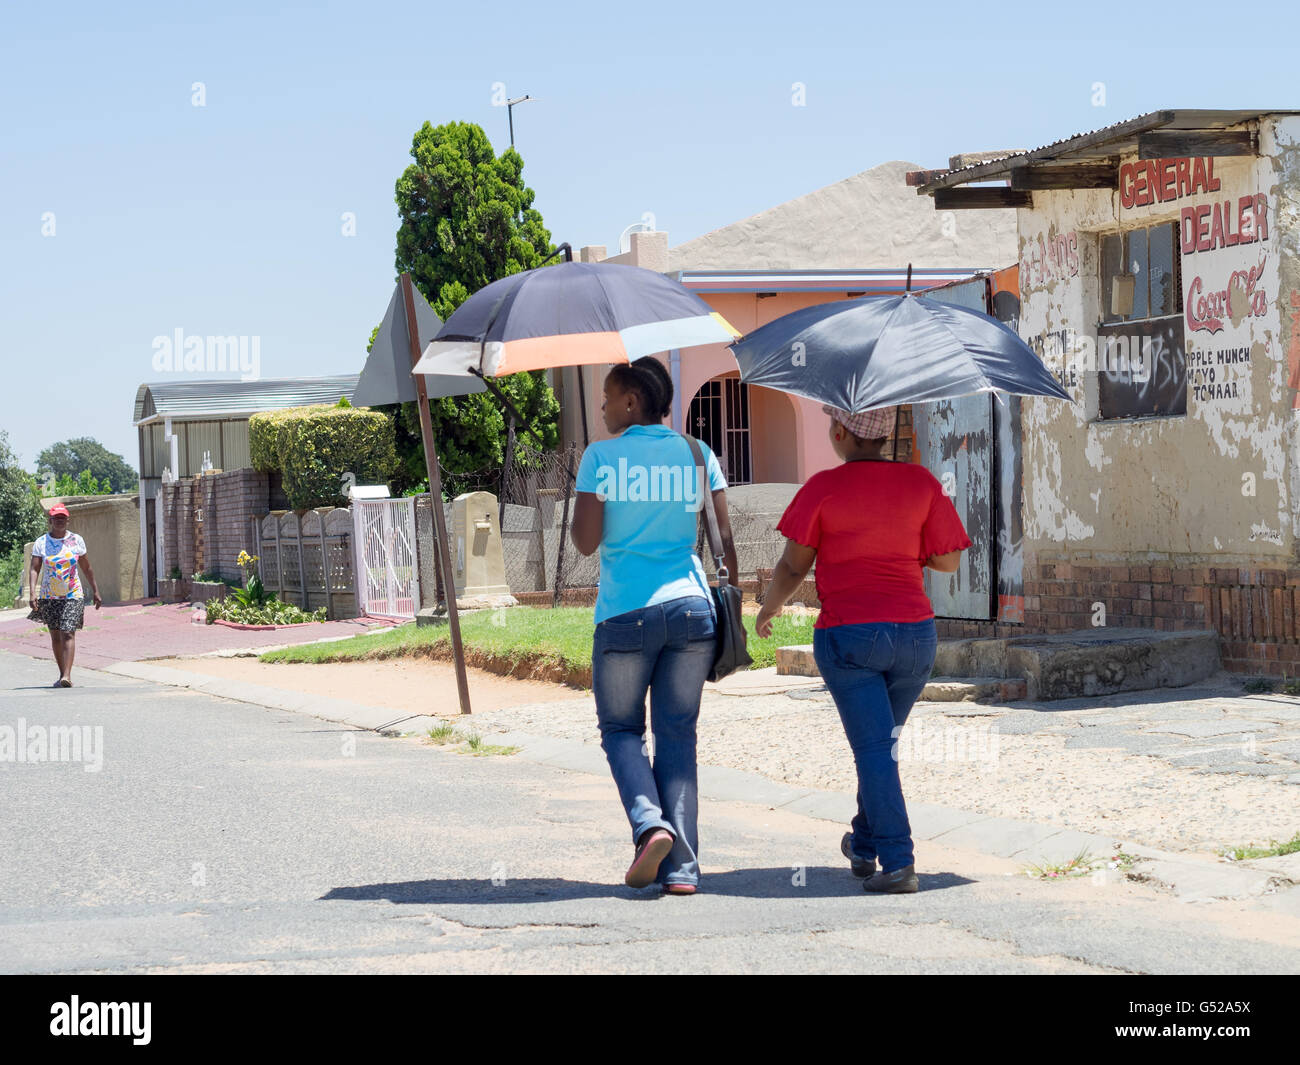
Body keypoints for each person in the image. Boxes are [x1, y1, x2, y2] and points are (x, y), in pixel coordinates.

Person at [755, 405, 970, 894]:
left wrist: (768, 609)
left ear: (838, 433)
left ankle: (897, 859)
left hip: (851, 637)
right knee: (881, 747)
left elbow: (793, 567)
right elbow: (949, 559)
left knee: (875, 749)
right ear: (887, 436)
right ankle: (864, 842)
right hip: (916, 638)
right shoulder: (921, 484)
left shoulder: (822, 489)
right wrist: (904, 544)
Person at [570, 359, 739, 895]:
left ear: (632, 402)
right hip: (692, 611)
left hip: (625, 613)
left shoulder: (600, 457)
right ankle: (684, 871)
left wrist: (599, 492)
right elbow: (725, 544)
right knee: (678, 735)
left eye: (607, 397)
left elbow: (584, 542)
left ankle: (649, 824)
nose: (601, 407)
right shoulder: (698, 453)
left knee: (620, 731)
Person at [28, 503, 102, 688]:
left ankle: (67, 676)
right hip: (49, 595)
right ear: (50, 521)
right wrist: (32, 592)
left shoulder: (76, 541)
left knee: (68, 631)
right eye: (56, 518)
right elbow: (34, 568)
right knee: (55, 635)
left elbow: (86, 567)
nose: (60, 521)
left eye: (63, 518)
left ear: (68, 520)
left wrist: (95, 590)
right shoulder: (41, 543)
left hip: (73, 594)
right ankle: (62, 673)